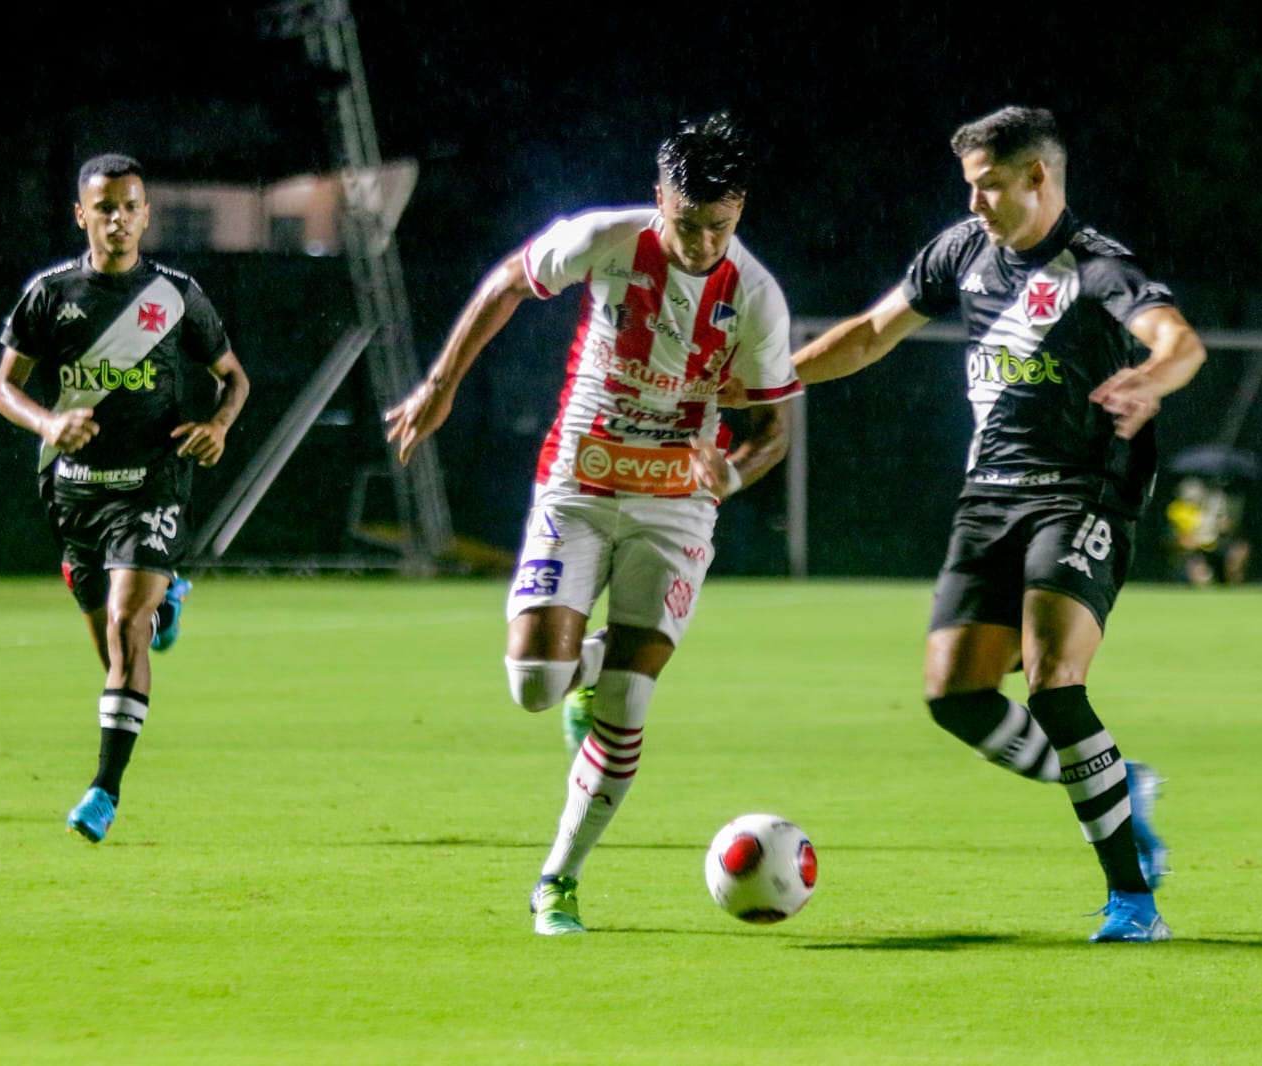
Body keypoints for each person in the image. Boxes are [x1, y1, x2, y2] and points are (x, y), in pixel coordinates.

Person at [790, 106, 1206, 942]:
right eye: (969, 188)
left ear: (1037, 178)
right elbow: (872, 332)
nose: (975, 203)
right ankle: (1124, 784)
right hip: (989, 495)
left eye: (988, 187)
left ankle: (1134, 904)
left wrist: (1151, 379)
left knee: (1054, 680)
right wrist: (768, 383)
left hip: (1081, 492)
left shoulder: (1097, 265)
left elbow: (1180, 341)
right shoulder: (960, 252)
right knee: (955, 693)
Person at [384, 113, 801, 935]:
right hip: (579, 480)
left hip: (677, 507)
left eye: (718, 226)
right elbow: (508, 281)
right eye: (686, 223)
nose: (699, 243)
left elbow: (775, 429)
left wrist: (734, 472)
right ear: (659, 199)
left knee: (628, 703)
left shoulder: (754, 295)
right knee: (537, 686)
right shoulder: (604, 238)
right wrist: (442, 383)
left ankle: (558, 882)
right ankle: (592, 665)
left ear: (741, 210)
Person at [0, 153, 250, 843]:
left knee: (125, 628)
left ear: (146, 213)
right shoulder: (50, 293)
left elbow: (234, 379)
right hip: (73, 494)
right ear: (82, 215)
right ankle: (167, 599)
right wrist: (48, 421)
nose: (118, 219)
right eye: (104, 207)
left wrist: (218, 426)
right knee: (111, 649)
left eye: (130, 206)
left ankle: (104, 790)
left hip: (152, 486)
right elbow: (3, 388)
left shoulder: (175, 294)